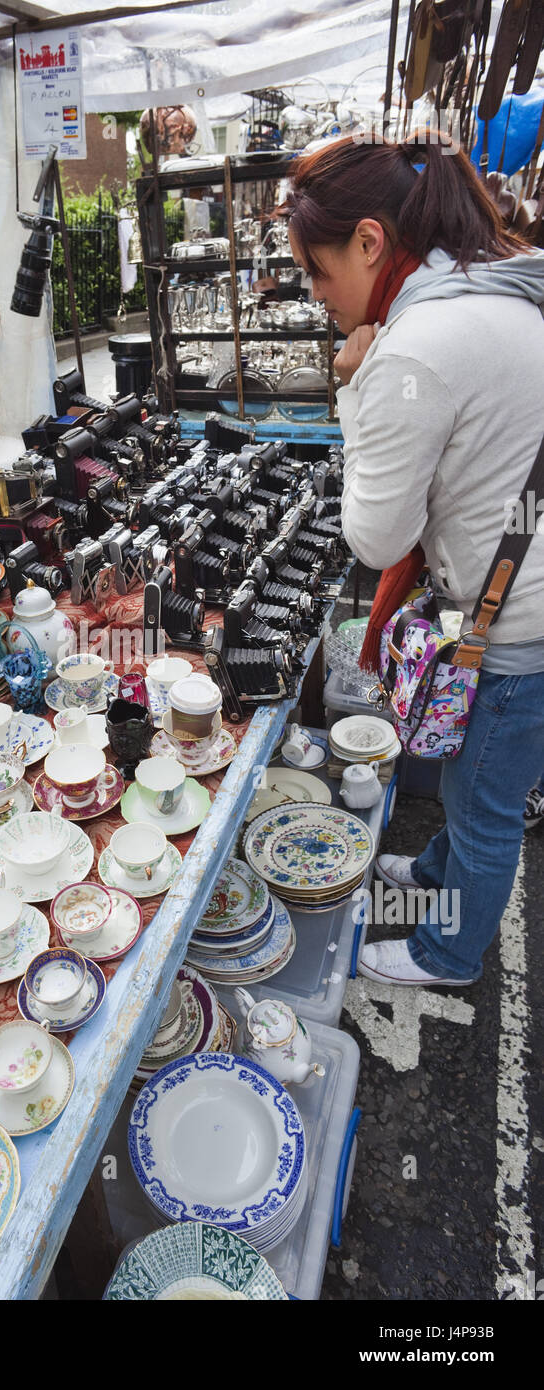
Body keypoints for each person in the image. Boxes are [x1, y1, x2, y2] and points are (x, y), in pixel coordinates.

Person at [284, 131, 544, 987]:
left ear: (369, 240)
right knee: (469, 789)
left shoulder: (414, 349)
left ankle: (447, 951)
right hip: (521, 584)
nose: (319, 296)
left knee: (485, 809)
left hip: (521, 622)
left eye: (319, 271)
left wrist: (352, 388)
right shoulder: (490, 287)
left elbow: (375, 538)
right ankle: (433, 882)